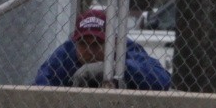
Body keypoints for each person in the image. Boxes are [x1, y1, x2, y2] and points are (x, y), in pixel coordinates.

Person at [35, 9, 172, 90]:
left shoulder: (125, 48)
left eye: (96, 44)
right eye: (83, 43)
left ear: (111, 42)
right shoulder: (69, 50)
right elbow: (41, 82)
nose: (89, 49)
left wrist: (119, 68)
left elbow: (163, 80)